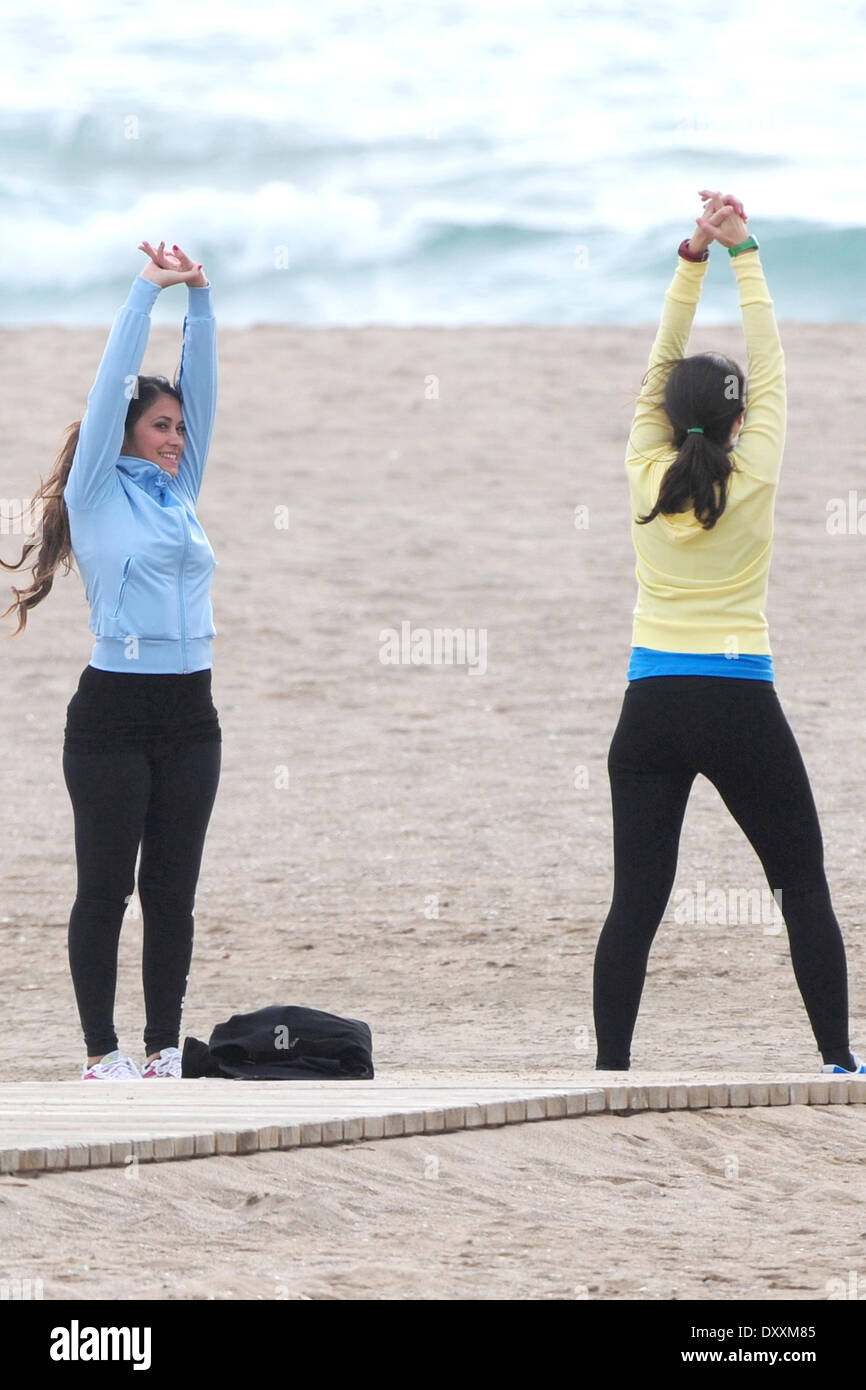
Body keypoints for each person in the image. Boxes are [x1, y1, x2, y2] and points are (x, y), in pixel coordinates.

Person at [592, 190, 865, 1076]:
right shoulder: (758, 469)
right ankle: (838, 1062)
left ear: (667, 420)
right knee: (800, 885)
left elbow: (656, 366)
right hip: (739, 700)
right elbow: (773, 363)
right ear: (742, 420)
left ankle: (610, 1072)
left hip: (650, 710)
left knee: (636, 903)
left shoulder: (642, 468)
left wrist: (691, 261)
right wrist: (745, 253)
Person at [1, 240, 222, 1079]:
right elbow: (109, 389)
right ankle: (103, 1053)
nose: (175, 438)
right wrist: (146, 293)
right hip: (112, 718)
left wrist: (200, 300)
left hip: (192, 715)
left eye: (177, 429)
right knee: (108, 891)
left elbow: (200, 391)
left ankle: (165, 1048)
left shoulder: (179, 488)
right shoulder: (97, 492)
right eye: (160, 427)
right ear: (124, 435)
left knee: (173, 893)